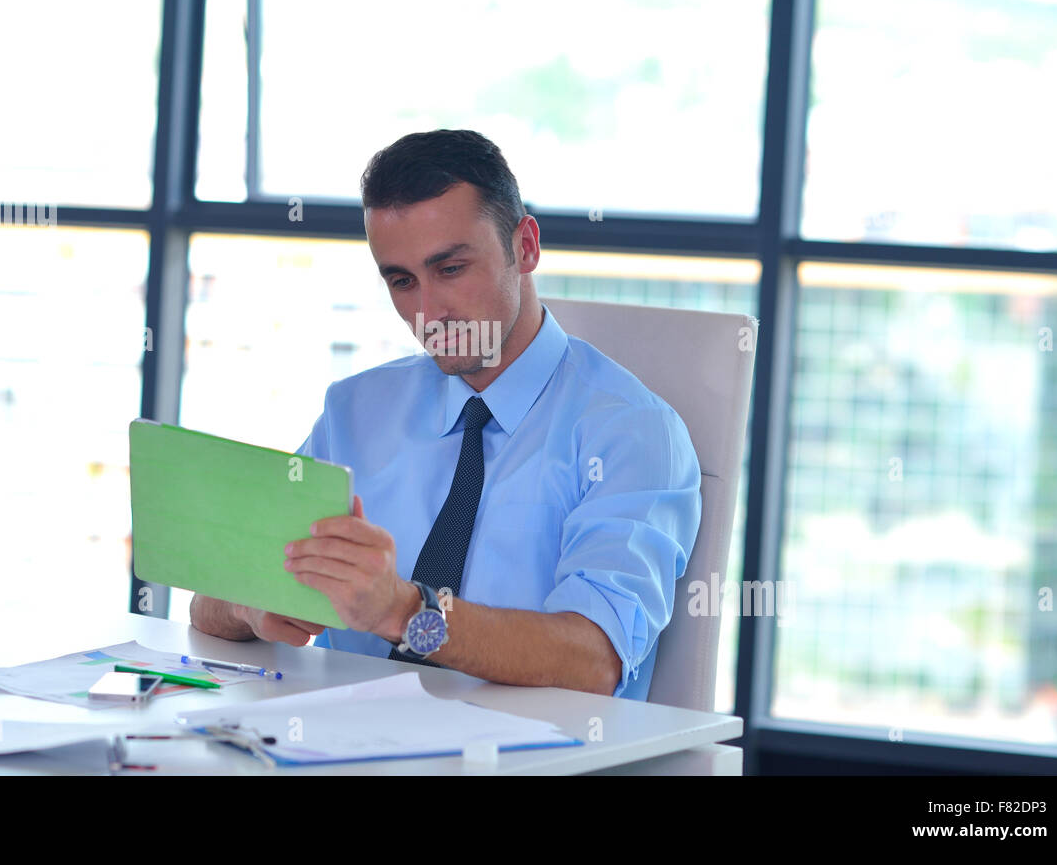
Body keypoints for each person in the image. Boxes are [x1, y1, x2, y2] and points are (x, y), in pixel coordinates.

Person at [190, 129, 701, 699]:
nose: (427, 311)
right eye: (402, 281)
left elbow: (593, 658)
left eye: (451, 268)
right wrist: (247, 604)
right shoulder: (354, 410)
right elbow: (207, 603)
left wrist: (406, 613)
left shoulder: (632, 432)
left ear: (525, 246)